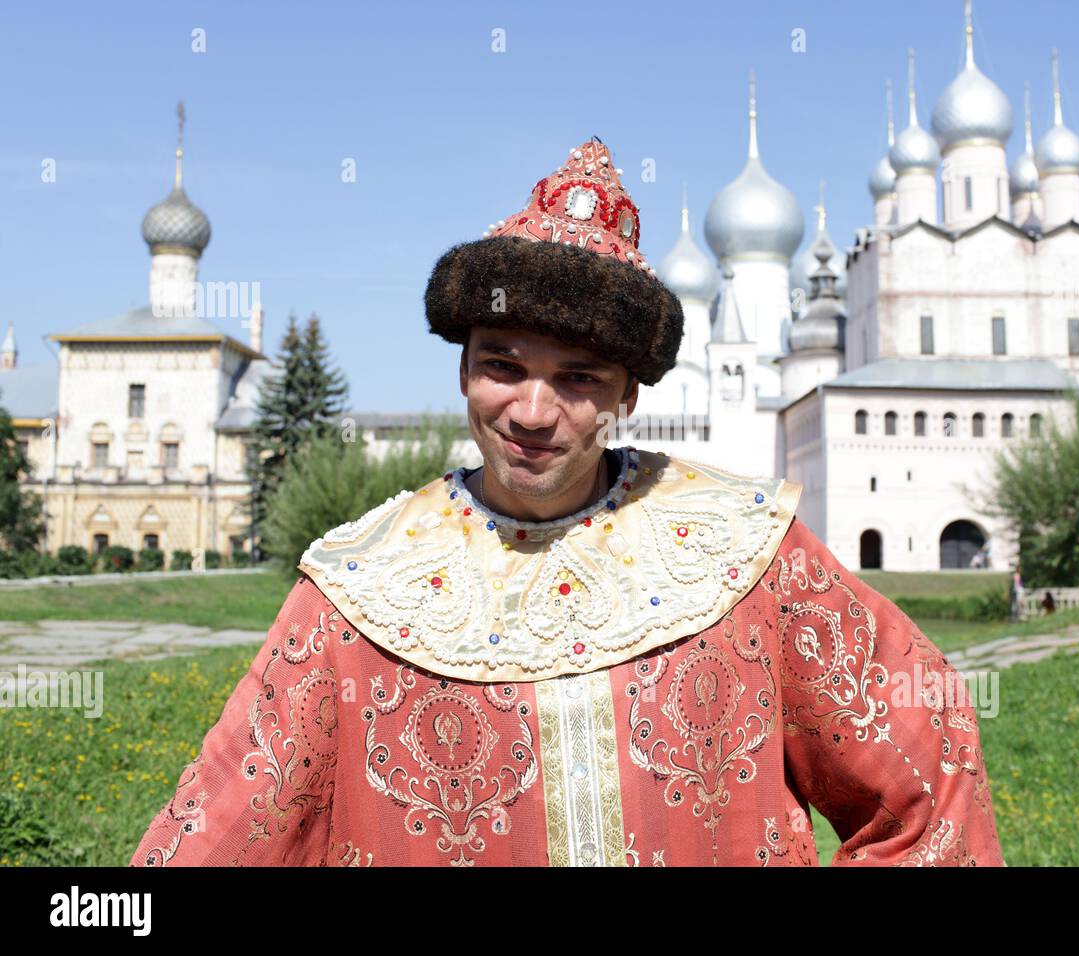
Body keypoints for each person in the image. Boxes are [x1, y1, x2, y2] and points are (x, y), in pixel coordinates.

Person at [129, 137, 1003, 867]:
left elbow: (928, 770)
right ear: (463, 368)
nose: (533, 412)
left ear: (625, 393)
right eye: (503, 365)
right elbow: (226, 826)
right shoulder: (359, 592)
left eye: (578, 379)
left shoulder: (751, 557)